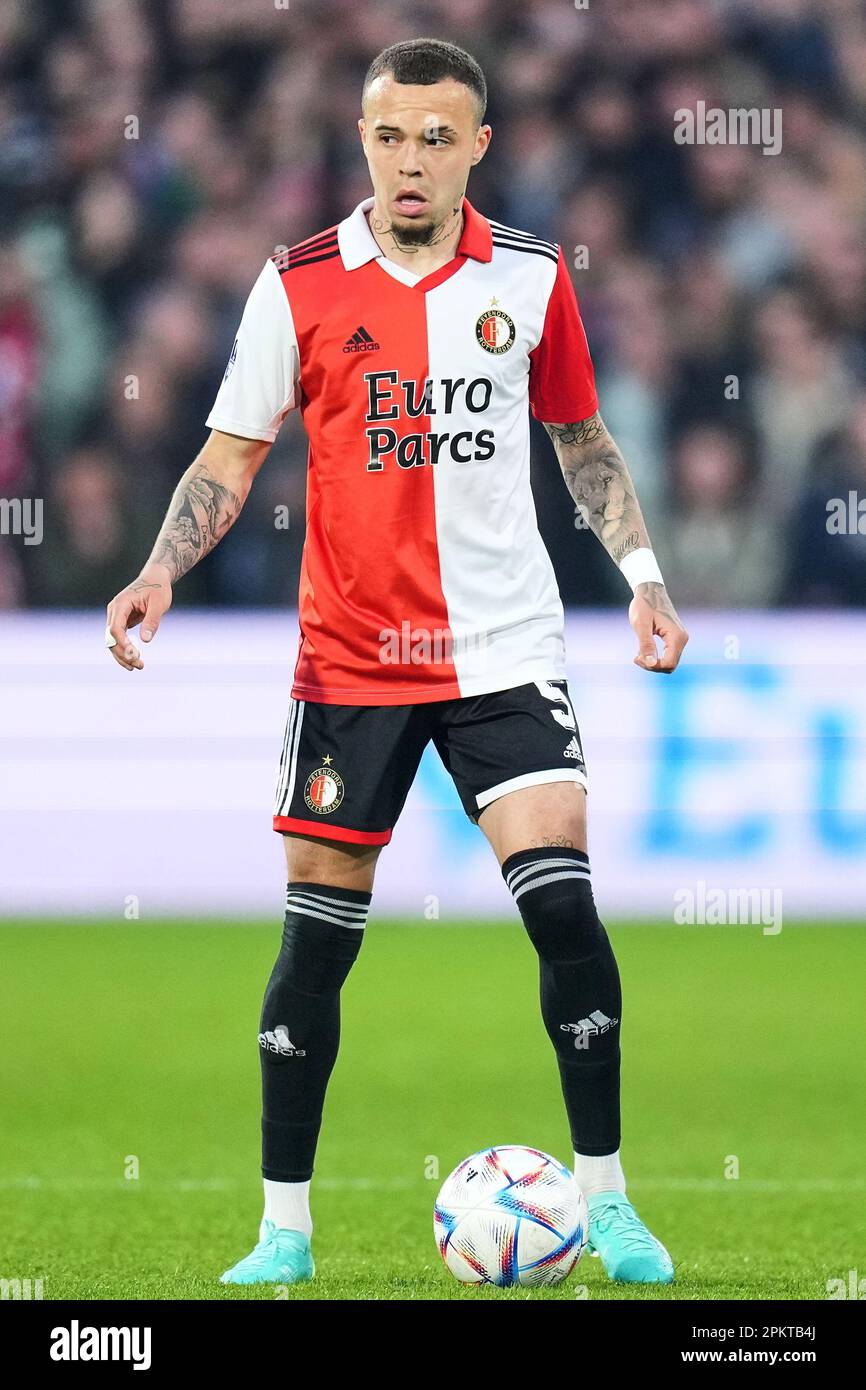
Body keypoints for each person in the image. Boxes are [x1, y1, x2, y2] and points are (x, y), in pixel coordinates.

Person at [105, 37, 688, 1288]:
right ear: (360, 139)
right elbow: (228, 456)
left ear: (478, 145)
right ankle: (283, 1230)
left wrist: (642, 581)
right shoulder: (298, 284)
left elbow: (581, 441)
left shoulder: (530, 279)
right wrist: (159, 569)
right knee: (316, 946)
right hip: (351, 662)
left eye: (437, 136)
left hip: (502, 648)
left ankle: (610, 1202)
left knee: (565, 908)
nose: (410, 158)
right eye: (389, 134)